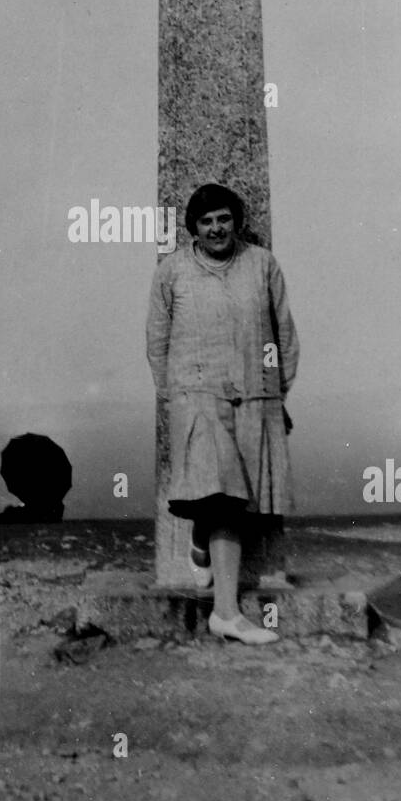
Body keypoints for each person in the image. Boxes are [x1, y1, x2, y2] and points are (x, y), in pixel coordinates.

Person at [146, 183, 299, 645]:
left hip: (254, 398)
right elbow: (157, 342)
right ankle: (227, 614)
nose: (216, 228)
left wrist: (273, 390)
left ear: (237, 221)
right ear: (194, 227)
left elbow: (281, 336)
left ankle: (199, 542)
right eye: (207, 221)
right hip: (195, 397)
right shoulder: (171, 272)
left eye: (224, 219)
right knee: (225, 497)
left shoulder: (262, 265)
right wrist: (176, 397)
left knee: (233, 498)